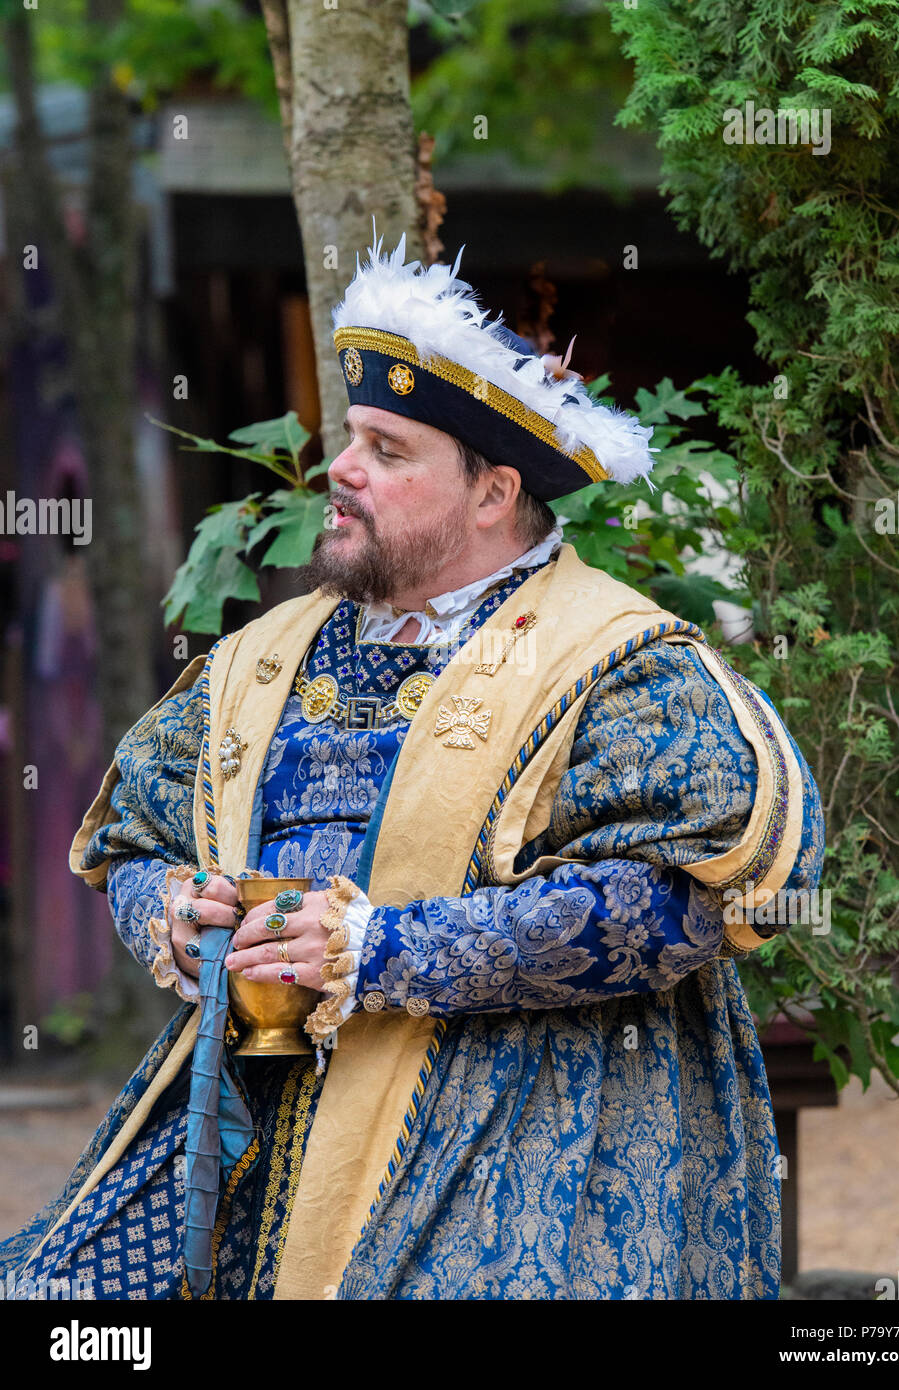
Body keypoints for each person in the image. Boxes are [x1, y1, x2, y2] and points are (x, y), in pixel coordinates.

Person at [1, 233, 824, 1301]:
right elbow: (132, 840)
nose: (342, 470)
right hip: (245, 1116)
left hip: (530, 1142)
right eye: (353, 438)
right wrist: (172, 911)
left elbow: (674, 907)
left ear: (493, 494)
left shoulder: (618, 661)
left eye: (389, 452)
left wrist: (378, 948)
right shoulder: (263, 653)